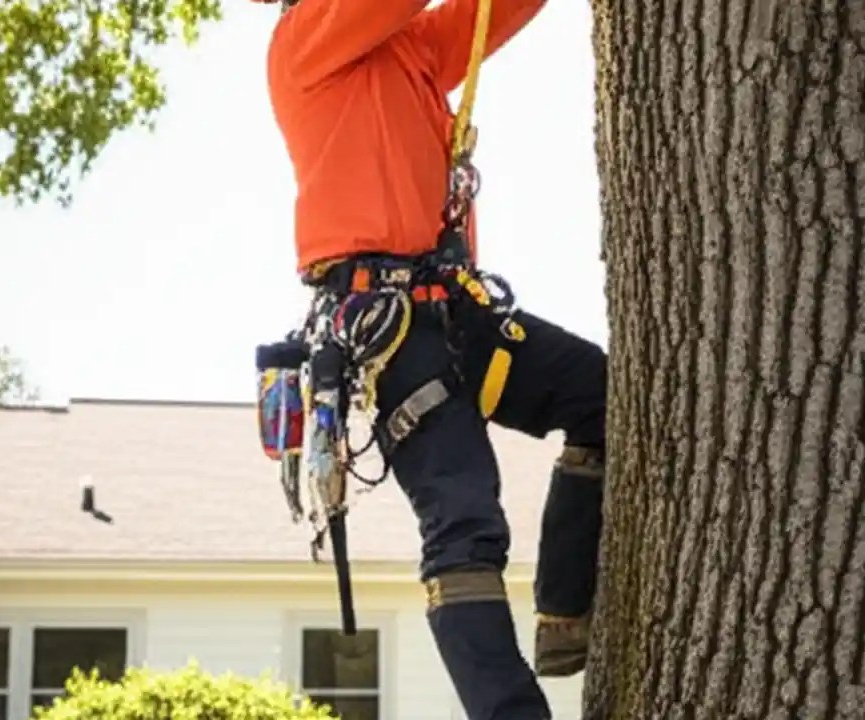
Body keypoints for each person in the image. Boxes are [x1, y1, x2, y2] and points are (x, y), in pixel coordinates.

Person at [261, 0, 606, 716]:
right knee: (464, 520)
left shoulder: (410, 46)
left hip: (455, 313)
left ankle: (564, 610)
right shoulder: (308, 37)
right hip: (389, 331)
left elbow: (496, 11)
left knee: (597, 395)